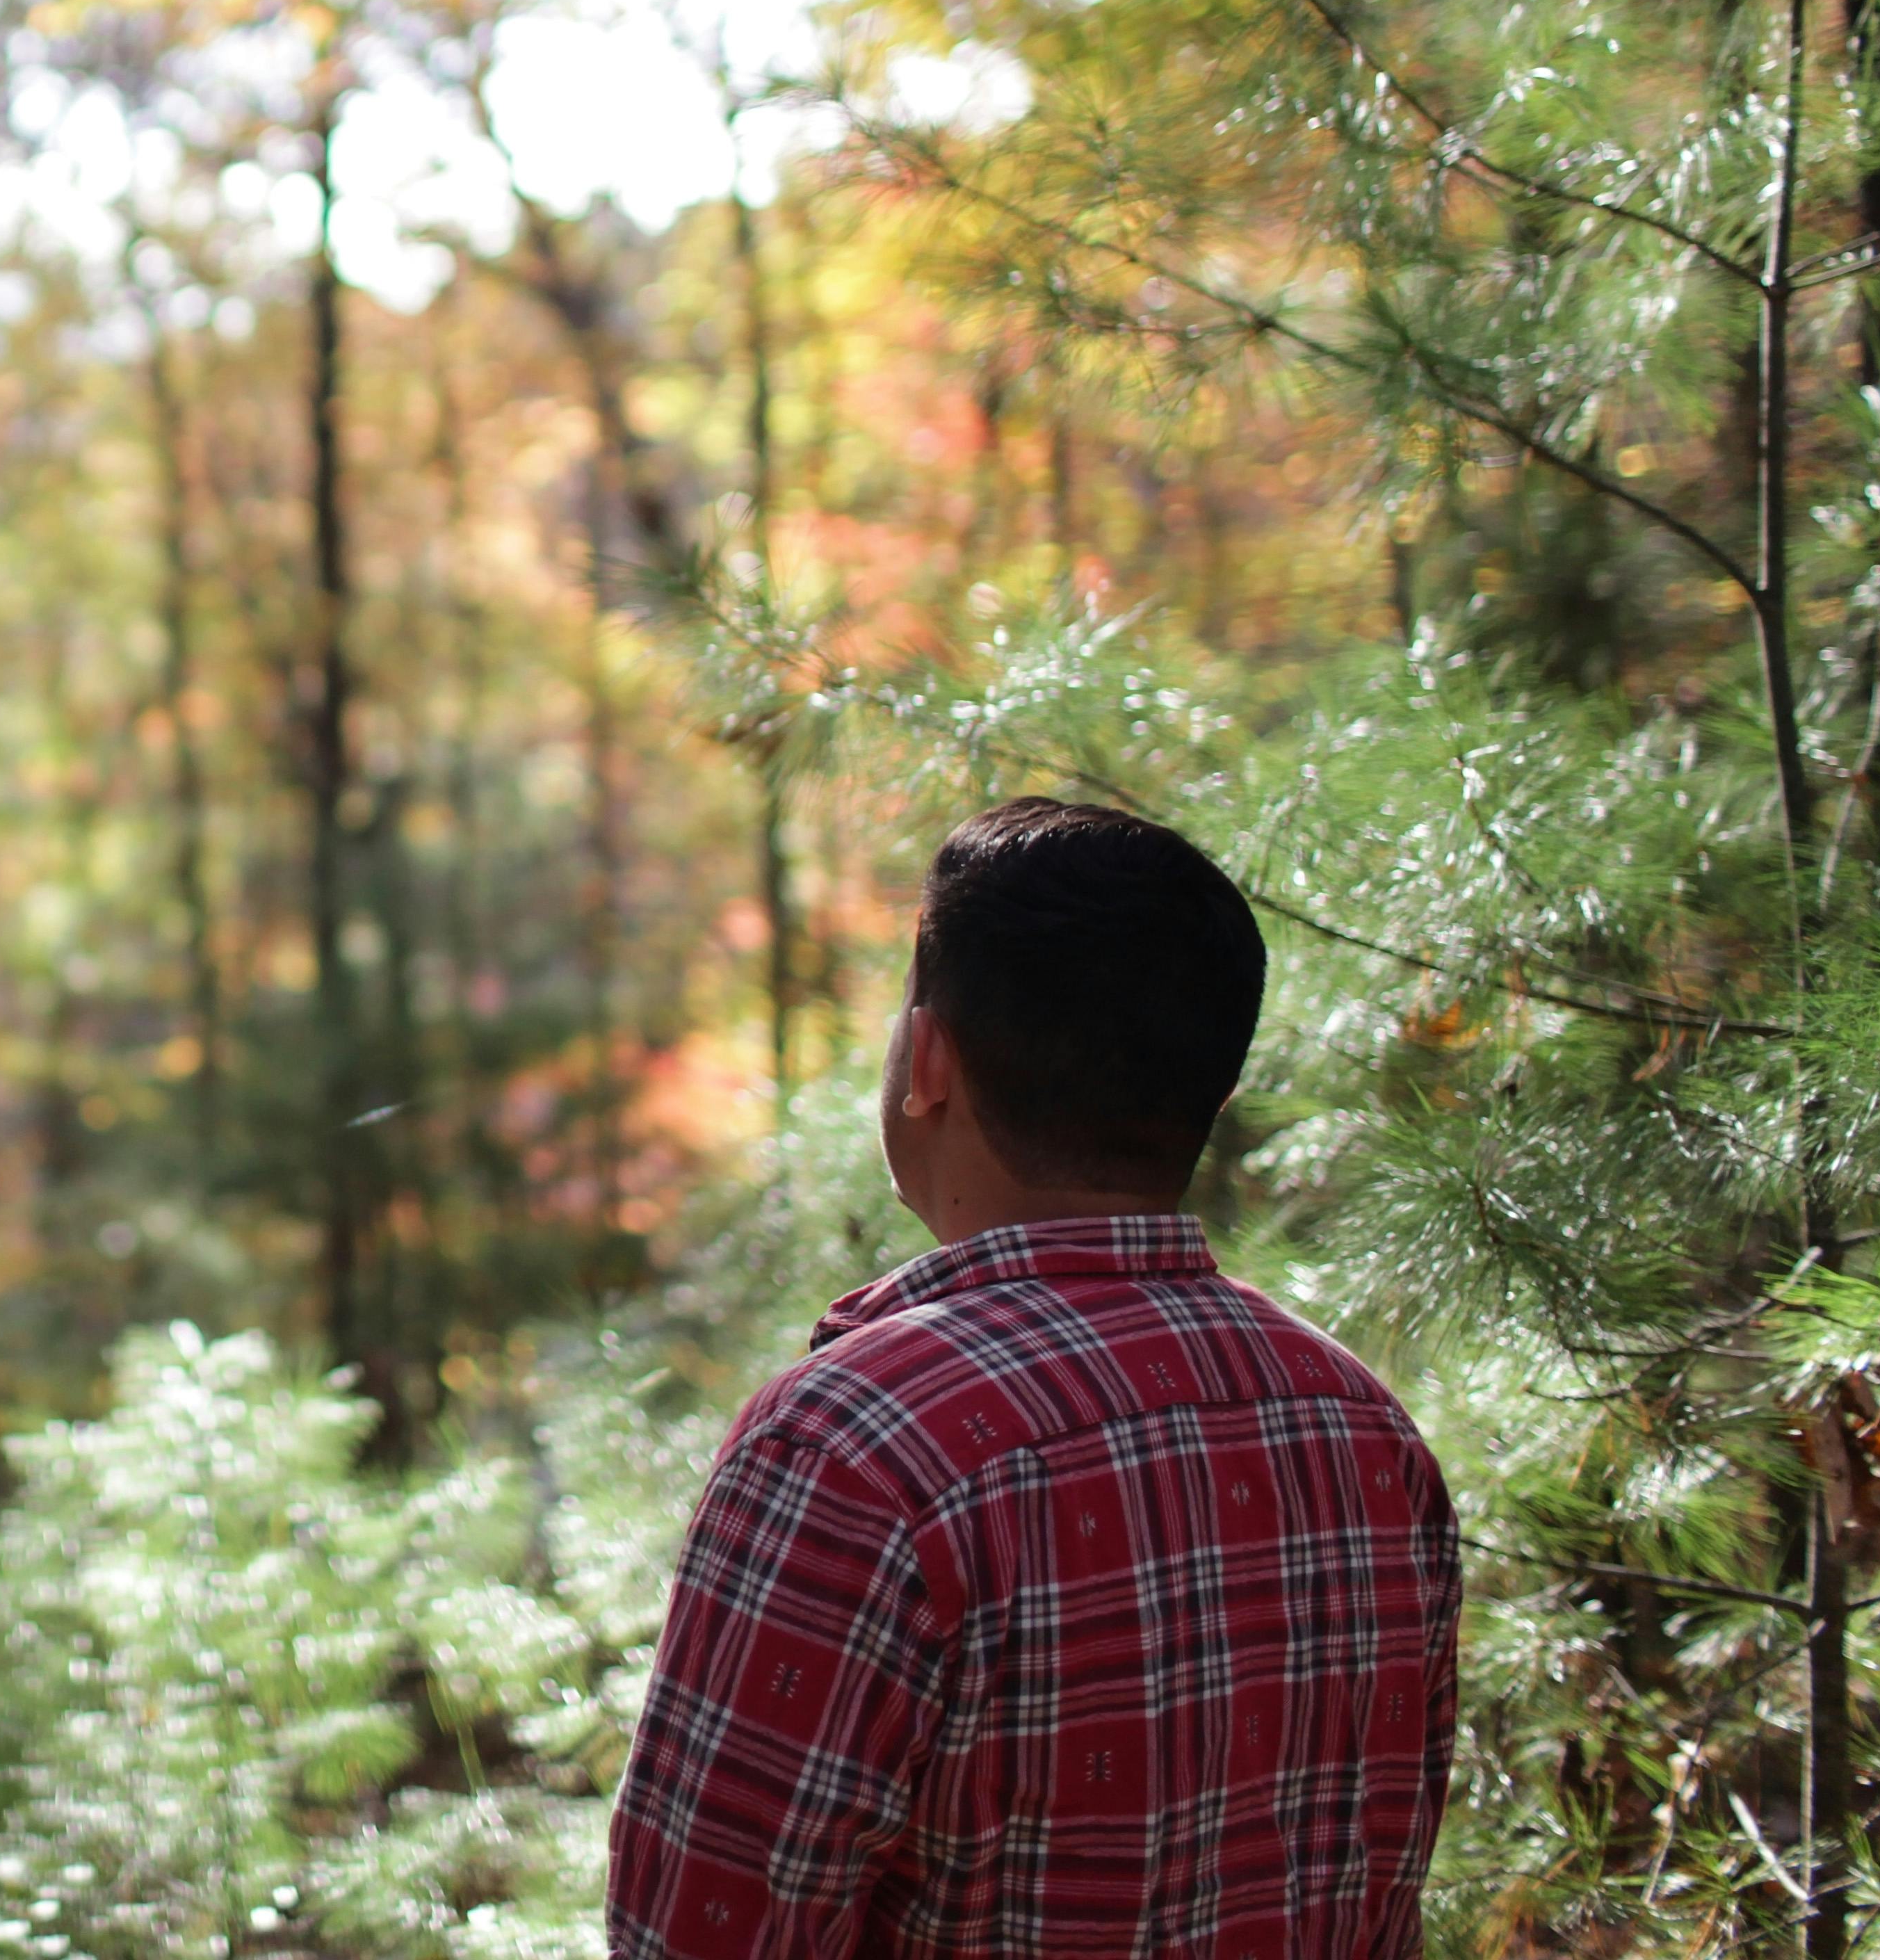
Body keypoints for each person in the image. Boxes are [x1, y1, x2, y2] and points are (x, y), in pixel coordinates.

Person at [606, 797, 1457, 1958]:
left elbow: (700, 1939)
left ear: (933, 1062)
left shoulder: (852, 1451)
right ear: (1205, 1085)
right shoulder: (1362, 1429)